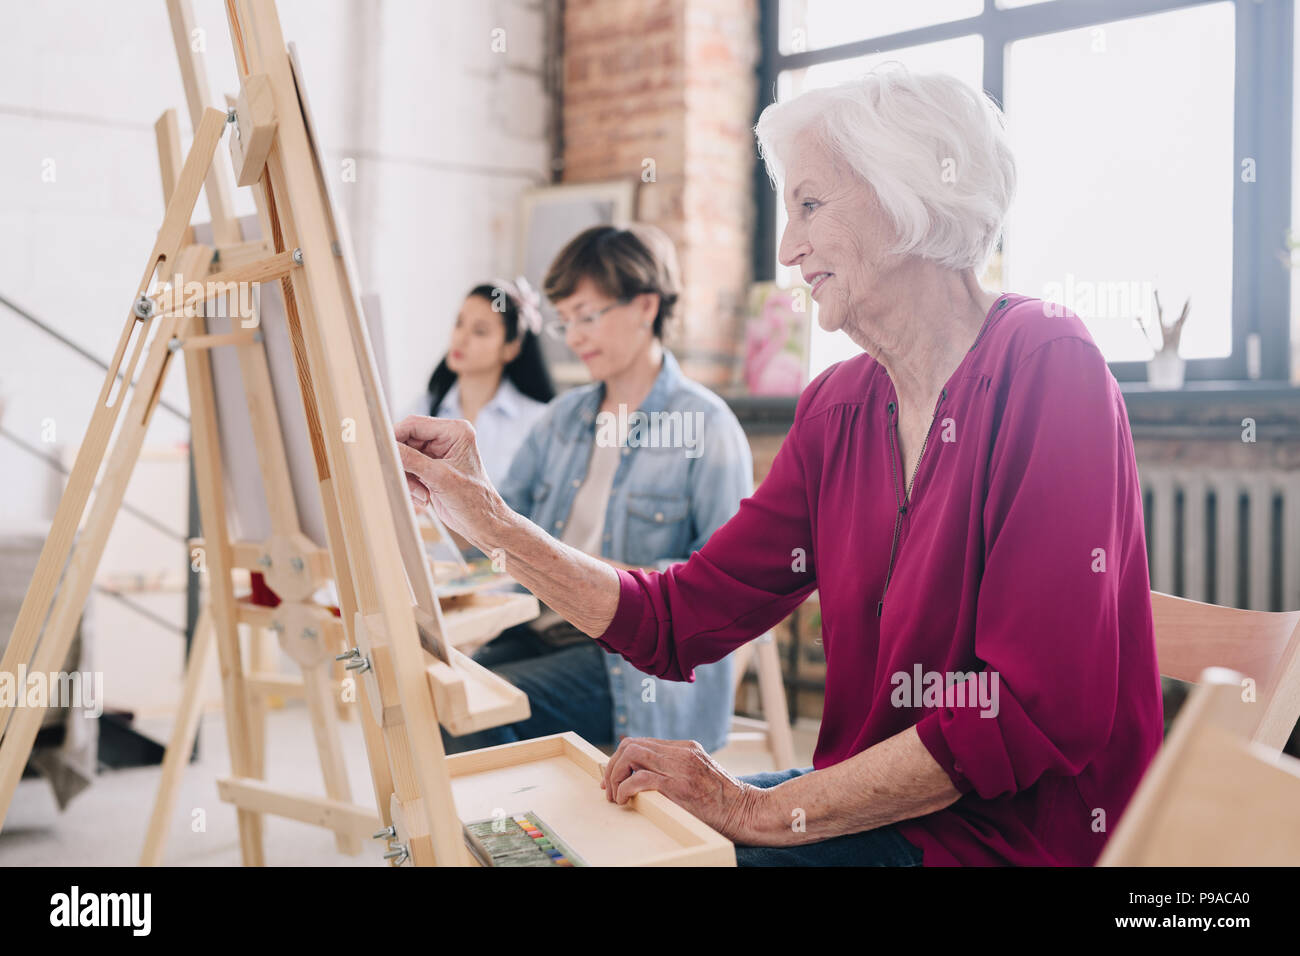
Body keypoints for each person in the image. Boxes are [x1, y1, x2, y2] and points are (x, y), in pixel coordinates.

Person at [396, 66, 1163, 867]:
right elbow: (679, 618)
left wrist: (750, 807)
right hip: (872, 809)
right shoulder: (837, 409)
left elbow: (1023, 711)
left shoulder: (1047, 361)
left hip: (1009, 842)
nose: (788, 248)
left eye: (810, 205)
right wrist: (490, 520)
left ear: (910, 195)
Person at [433, 224, 754, 757]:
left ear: (646, 307)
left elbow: (728, 590)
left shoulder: (707, 425)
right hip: (542, 626)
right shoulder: (563, 419)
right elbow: (494, 523)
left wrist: (607, 577)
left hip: (630, 659)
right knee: (435, 693)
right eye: (566, 322)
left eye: (588, 316)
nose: (576, 336)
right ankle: (481, 839)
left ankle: (509, 839)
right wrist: (437, 492)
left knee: (473, 714)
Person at [412, 280, 554, 487]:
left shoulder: (538, 422)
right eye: (459, 323)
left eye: (480, 331)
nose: (461, 338)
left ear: (511, 348)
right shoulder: (422, 410)